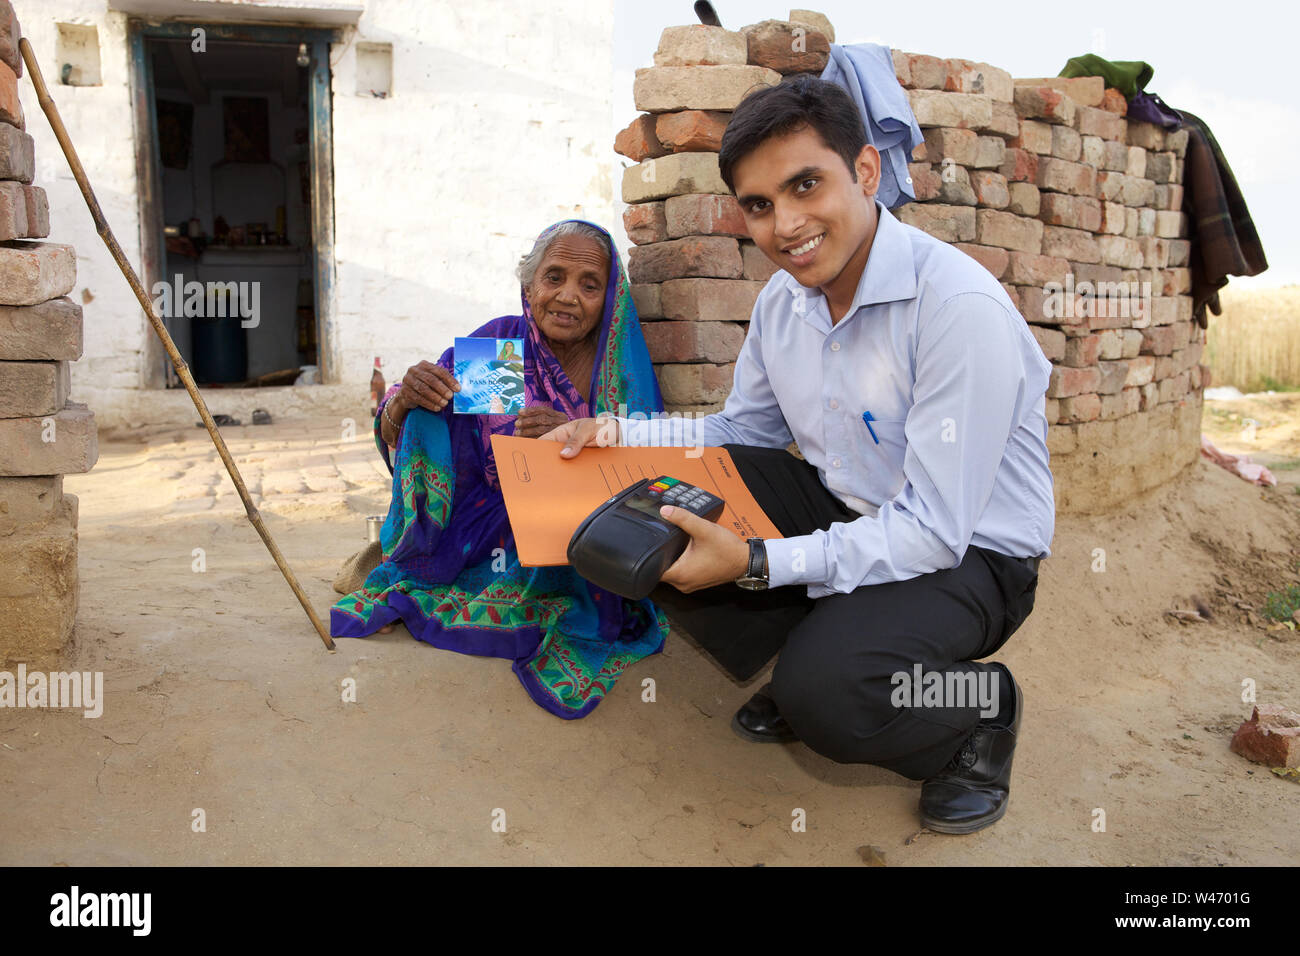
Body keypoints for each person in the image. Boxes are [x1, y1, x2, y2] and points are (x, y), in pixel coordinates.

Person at [542, 76, 1055, 833]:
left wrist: (753, 563)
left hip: (971, 554)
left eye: (806, 184)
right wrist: (610, 433)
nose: (785, 225)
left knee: (830, 696)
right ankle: (832, 647)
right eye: (758, 204)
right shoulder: (786, 301)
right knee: (639, 516)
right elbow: (739, 433)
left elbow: (932, 531)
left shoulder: (956, 311)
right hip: (852, 509)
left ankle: (975, 709)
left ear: (867, 172)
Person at [330, 219, 669, 719]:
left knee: (580, 572)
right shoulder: (505, 349)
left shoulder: (615, 365)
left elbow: (645, 474)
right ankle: (421, 561)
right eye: (554, 278)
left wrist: (574, 433)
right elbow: (442, 437)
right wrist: (406, 402)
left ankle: (463, 585)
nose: (568, 297)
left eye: (589, 285)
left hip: (570, 524)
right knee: (430, 406)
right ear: (529, 287)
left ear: (609, 298)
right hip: (489, 518)